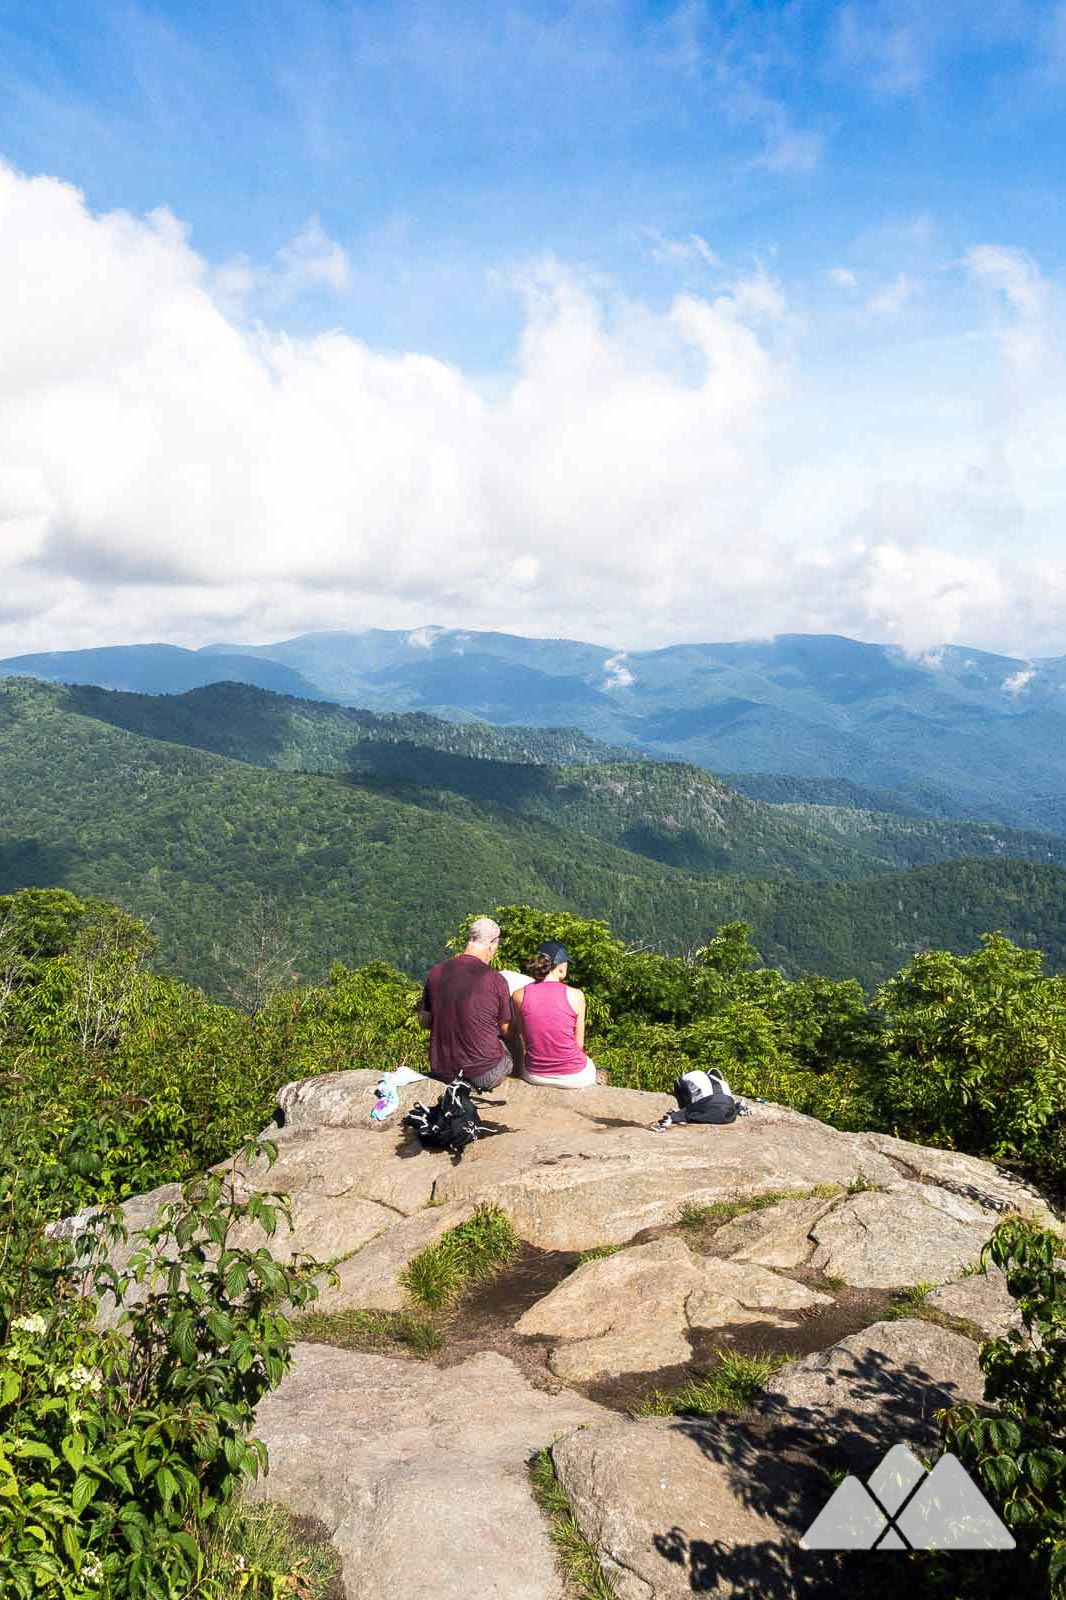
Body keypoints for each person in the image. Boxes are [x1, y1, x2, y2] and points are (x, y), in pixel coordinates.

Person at [419, 917, 513, 1091]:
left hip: (442, 1070)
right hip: (483, 1074)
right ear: (492, 944)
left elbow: (424, 1021)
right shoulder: (496, 980)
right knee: (507, 1047)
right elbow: (506, 1029)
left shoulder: (436, 972)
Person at [512, 939, 596, 1089]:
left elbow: (521, 1038)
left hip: (534, 1074)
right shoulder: (576, 995)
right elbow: (579, 1044)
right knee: (590, 1064)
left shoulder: (518, 995)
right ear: (562, 966)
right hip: (574, 1076)